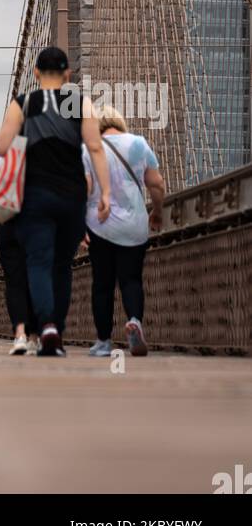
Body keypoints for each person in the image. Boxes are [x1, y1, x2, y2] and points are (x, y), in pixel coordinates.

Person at [0, 45, 110, 357]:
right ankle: (55, 329)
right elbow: (96, 148)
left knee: (39, 261)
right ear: (67, 74)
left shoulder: (25, 103)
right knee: (62, 265)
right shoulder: (77, 102)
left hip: (35, 196)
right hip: (72, 197)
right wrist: (106, 192)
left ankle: (45, 326)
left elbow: (2, 145)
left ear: (34, 73)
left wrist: (23, 133)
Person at [83, 106, 165, 357]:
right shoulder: (138, 144)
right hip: (134, 224)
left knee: (102, 284)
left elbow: (83, 189)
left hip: (100, 224)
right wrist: (158, 212)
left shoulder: (88, 149)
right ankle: (134, 321)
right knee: (131, 279)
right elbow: (156, 183)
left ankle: (104, 341)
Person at [0, 157, 38, 355]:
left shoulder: (2, 157)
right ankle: (35, 336)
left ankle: (20, 335)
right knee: (37, 280)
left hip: (7, 223)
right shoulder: (48, 151)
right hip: (37, 224)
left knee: (15, 283)